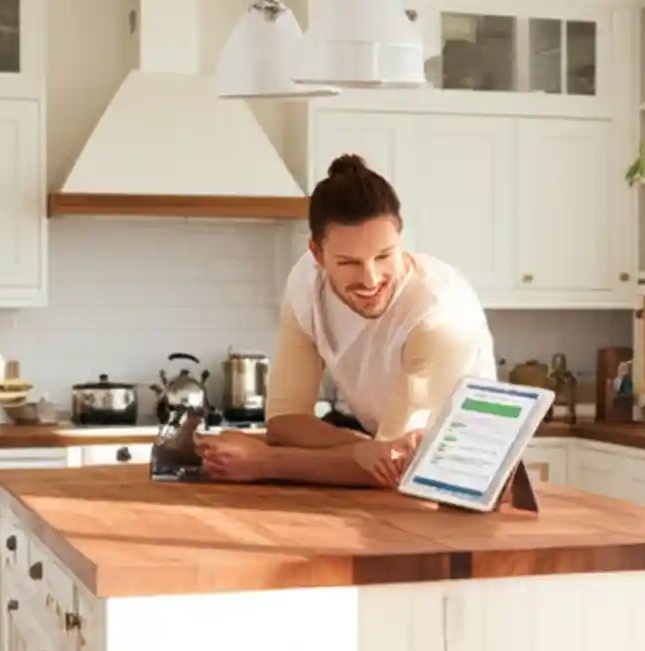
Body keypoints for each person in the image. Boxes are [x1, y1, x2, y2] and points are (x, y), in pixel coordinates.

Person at [197, 154, 497, 487]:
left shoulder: (438, 313)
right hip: (397, 470)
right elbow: (286, 423)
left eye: (384, 256)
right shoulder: (306, 286)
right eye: (348, 262)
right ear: (317, 254)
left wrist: (264, 462)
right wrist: (365, 452)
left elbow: (393, 468)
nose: (370, 279)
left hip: (463, 478)